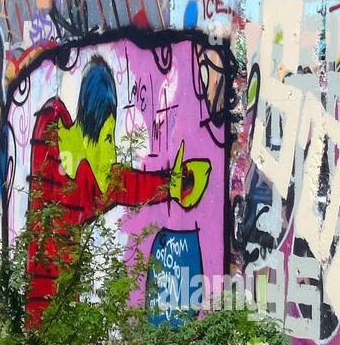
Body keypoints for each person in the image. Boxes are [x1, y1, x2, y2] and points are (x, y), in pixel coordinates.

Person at [24, 56, 210, 326]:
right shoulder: (52, 138)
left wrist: (171, 185)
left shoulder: (89, 179)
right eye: (108, 138)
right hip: (42, 314)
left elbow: (125, 183)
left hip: (56, 317)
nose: (111, 153)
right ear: (89, 125)